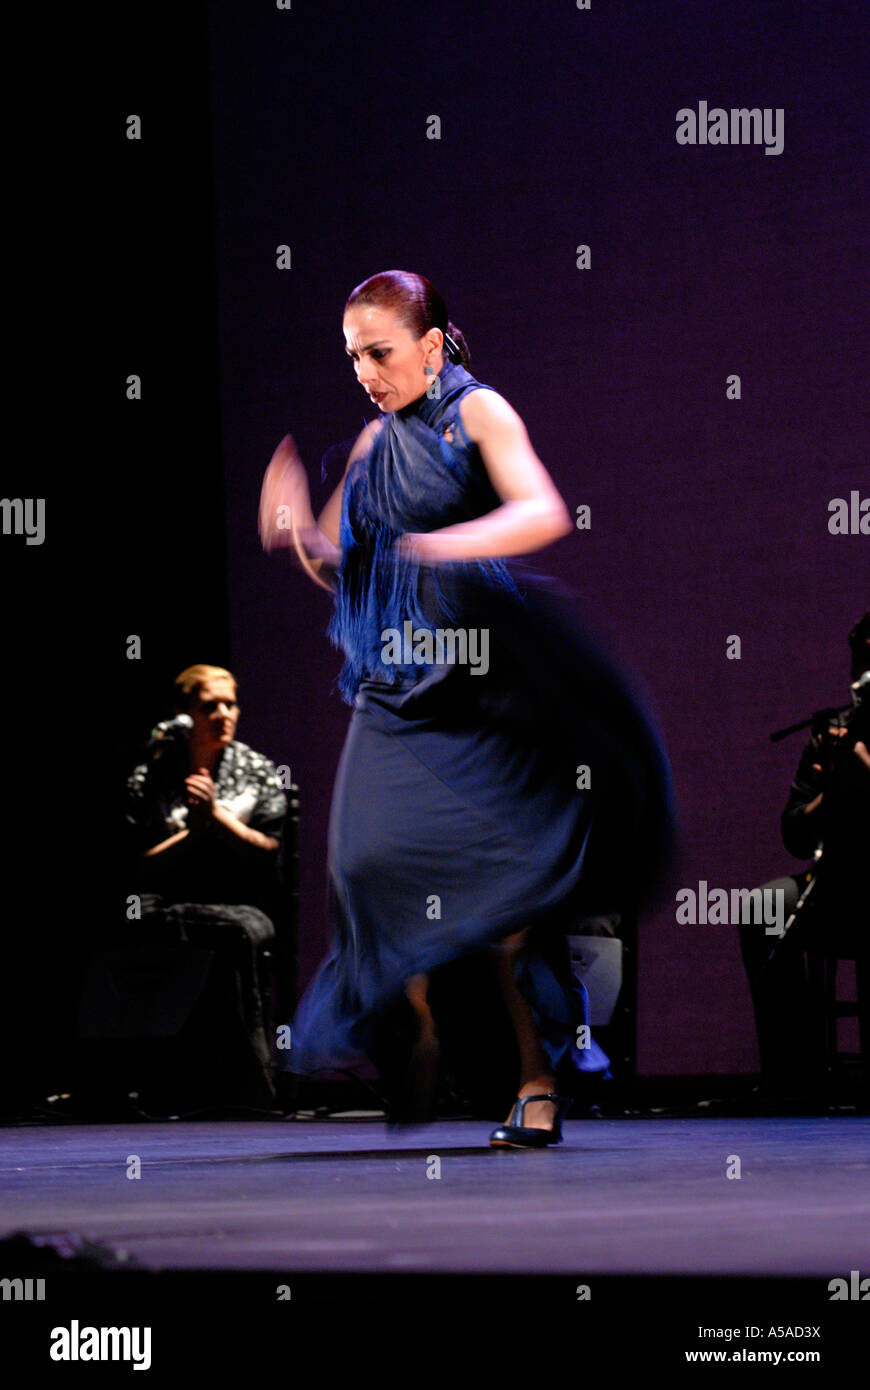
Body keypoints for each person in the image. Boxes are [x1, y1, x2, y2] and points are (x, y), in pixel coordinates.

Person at [260, 270, 675, 1145]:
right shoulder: (377, 443)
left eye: (380, 352)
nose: (366, 372)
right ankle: (414, 1026)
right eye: (352, 358)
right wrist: (297, 529)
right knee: (364, 867)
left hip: (484, 685)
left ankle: (536, 1085)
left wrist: (441, 544)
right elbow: (343, 564)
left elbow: (540, 511)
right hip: (397, 687)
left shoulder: (477, 413)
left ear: (432, 345)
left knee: (509, 907)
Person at [125, 664, 288, 1101]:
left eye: (230, 704)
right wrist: (192, 834)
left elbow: (271, 850)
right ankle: (144, 1080)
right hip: (167, 901)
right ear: (184, 714)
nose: (223, 714)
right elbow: (136, 865)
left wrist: (215, 817)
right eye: (209, 706)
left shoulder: (255, 768)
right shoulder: (153, 773)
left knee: (241, 929)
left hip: (238, 900)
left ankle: (255, 1078)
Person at [738, 610, 870, 1105]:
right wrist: (831, 791)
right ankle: (792, 1077)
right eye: (861, 656)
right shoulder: (831, 733)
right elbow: (793, 832)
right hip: (834, 885)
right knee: (763, 906)